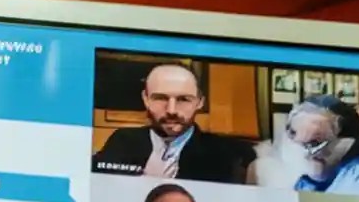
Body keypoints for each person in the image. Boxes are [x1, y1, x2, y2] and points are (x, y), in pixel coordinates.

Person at [93, 63, 254, 183]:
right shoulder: (122, 141)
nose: (171, 110)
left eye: (183, 99)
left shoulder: (227, 154)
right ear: (146, 99)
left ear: (199, 102)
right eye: (160, 98)